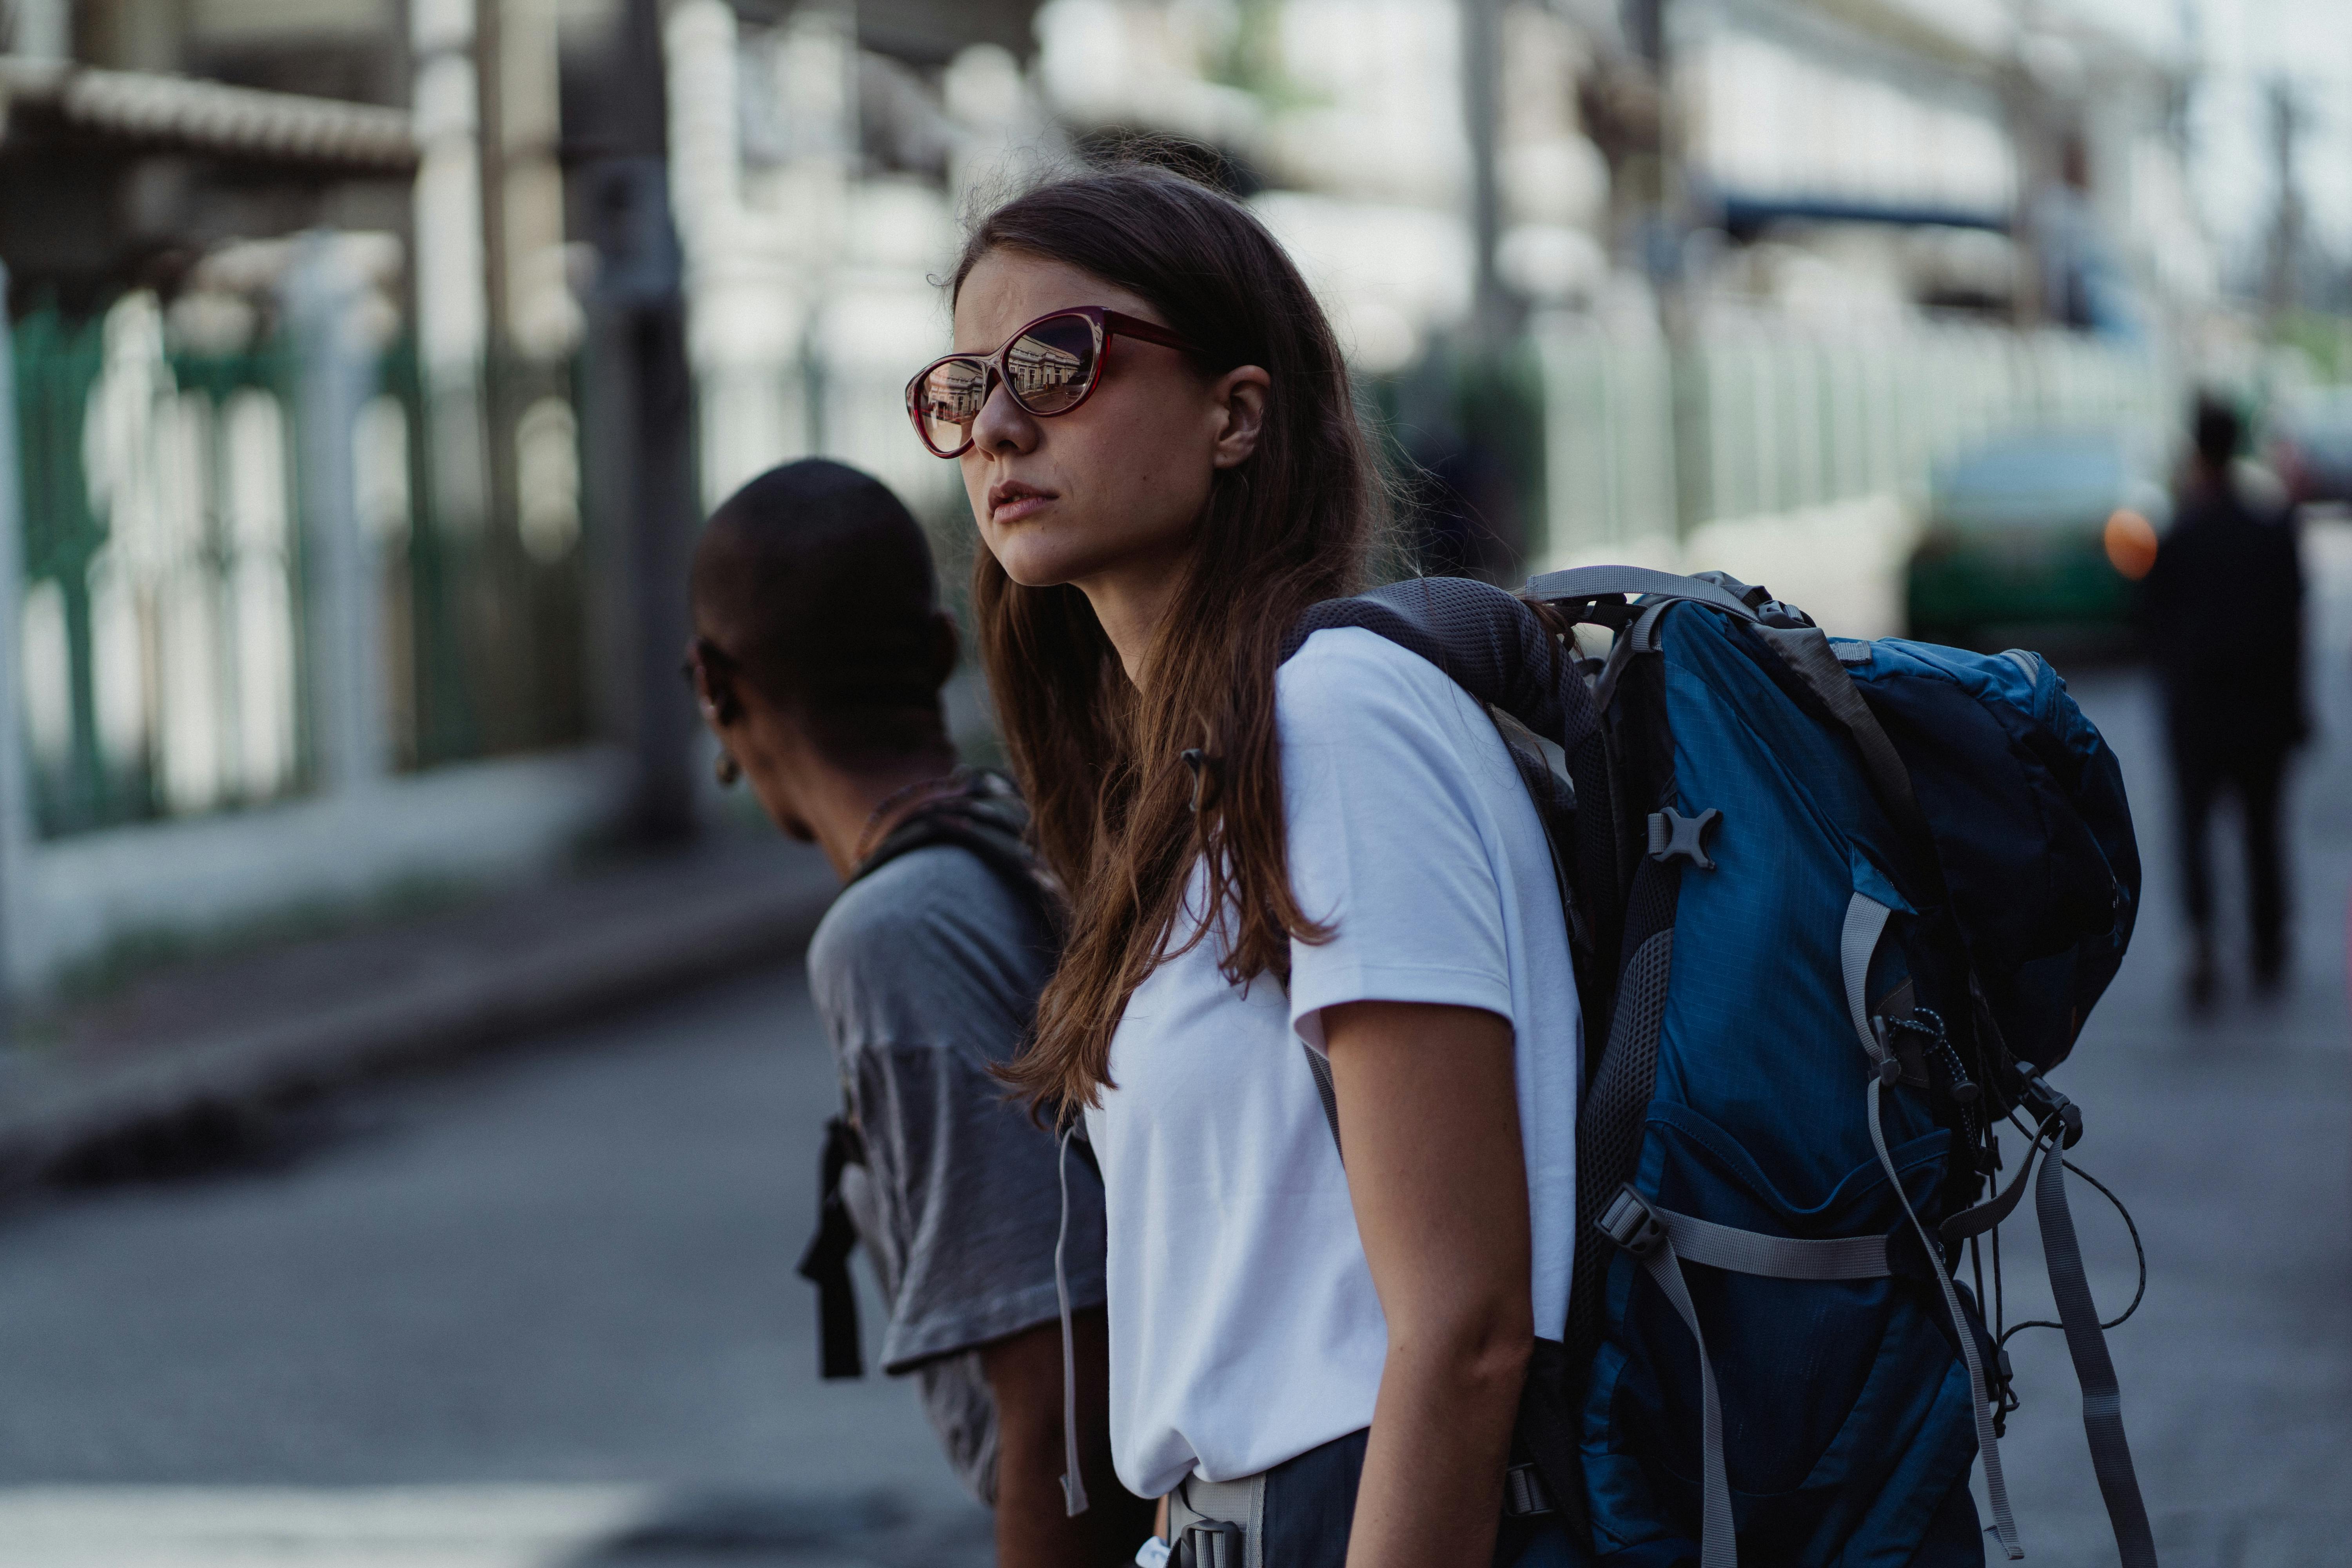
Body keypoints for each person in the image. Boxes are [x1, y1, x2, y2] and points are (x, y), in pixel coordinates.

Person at [904, 167, 1579, 1565]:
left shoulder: (1336, 726)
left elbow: (1464, 1332)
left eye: (1061, 361)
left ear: (1238, 412)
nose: (1002, 425)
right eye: (963, 388)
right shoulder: (1190, 774)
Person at [684, 458, 1152, 1564]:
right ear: (945, 652)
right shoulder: (1020, 838)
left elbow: (1055, 1403)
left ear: (713, 684)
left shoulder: (896, 931)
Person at [2139, 396, 2307, 1005]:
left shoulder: (2179, 536)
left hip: (2199, 716)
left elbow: (2150, 629)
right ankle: (2267, 944)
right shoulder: (2271, 532)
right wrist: (2295, 710)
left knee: (2195, 831)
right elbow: (2293, 631)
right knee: (2264, 832)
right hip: (2261, 712)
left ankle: (2203, 941)